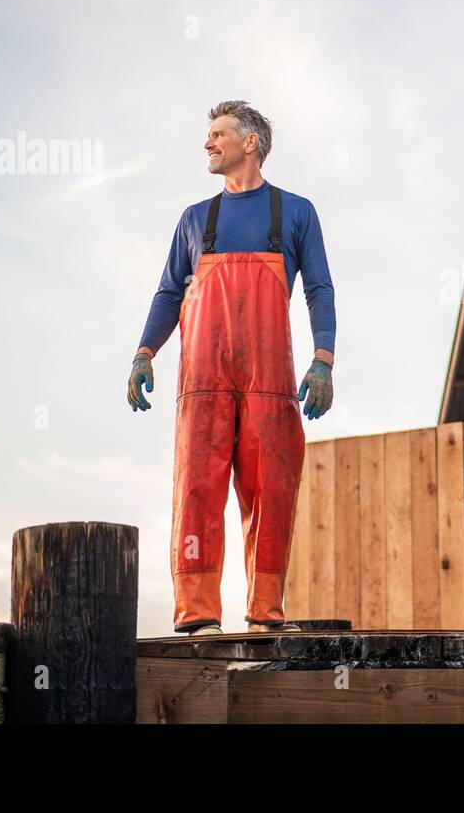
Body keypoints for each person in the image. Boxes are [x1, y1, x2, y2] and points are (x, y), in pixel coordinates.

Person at [127, 100, 335, 636]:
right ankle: (198, 615)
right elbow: (170, 291)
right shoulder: (195, 219)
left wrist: (323, 361)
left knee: (272, 489)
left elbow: (319, 288)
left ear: (251, 144)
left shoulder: (295, 212)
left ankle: (266, 612)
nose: (208, 143)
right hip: (202, 378)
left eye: (218, 134)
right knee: (197, 485)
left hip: (270, 378)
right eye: (208, 135)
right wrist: (145, 352)